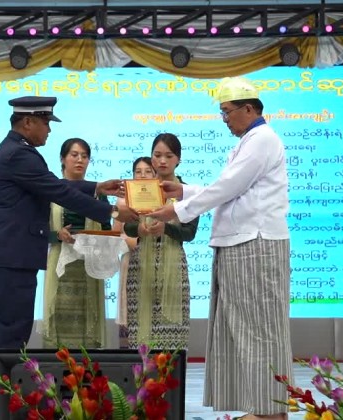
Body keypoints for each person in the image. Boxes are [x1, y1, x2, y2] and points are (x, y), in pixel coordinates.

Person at [0, 96, 138, 420]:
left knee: (12, 337)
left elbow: (54, 185)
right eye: (46, 123)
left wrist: (95, 186)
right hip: (11, 257)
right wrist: (110, 208)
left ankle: (0, 409)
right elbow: (56, 191)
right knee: (8, 338)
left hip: (11, 256)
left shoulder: (17, 152)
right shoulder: (20, 154)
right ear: (27, 122)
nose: (49, 130)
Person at [146, 78, 292, 420]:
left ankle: (272, 411)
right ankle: (262, 406)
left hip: (256, 243)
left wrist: (178, 209)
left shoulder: (262, 140)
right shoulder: (247, 143)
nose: (224, 118)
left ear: (249, 108)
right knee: (242, 328)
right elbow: (228, 188)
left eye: (226, 112)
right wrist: (184, 192)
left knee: (261, 329)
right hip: (241, 243)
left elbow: (228, 187)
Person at [123, 134, 199, 350]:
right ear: (151, 158)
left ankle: (172, 382)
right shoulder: (140, 189)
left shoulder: (188, 192)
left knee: (172, 335)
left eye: (169, 155)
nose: (162, 161)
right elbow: (127, 225)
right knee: (142, 334)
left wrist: (166, 228)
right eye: (157, 155)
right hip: (141, 267)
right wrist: (138, 228)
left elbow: (189, 233)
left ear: (179, 159)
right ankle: (143, 382)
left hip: (174, 268)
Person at [41, 138, 111, 349]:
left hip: (89, 267)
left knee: (89, 321)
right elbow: (39, 231)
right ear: (62, 159)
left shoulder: (98, 193)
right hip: (60, 267)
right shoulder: (50, 191)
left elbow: (107, 229)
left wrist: (98, 238)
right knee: (59, 325)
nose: (80, 160)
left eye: (84, 156)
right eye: (74, 155)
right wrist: (57, 235)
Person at [113, 157, 156, 348]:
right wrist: (131, 240)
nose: (142, 175)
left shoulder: (161, 199)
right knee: (130, 313)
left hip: (156, 261)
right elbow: (115, 234)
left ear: (155, 174)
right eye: (138, 171)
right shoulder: (122, 201)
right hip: (131, 261)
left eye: (147, 171)